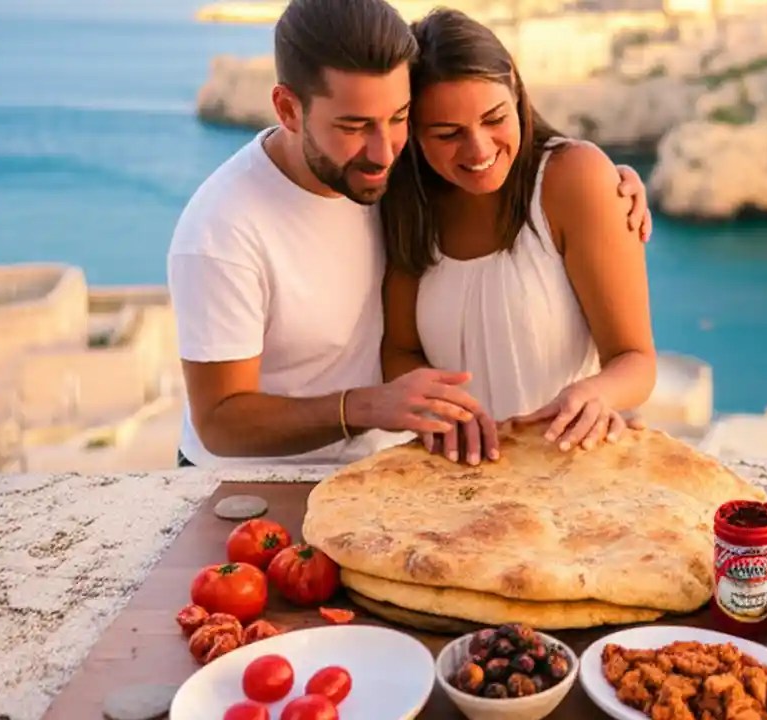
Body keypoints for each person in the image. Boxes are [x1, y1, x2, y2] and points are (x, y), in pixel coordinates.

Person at [166, 0, 652, 468]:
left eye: (398, 118)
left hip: (376, 467)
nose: (383, 151)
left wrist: (608, 186)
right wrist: (367, 407)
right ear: (289, 111)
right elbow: (218, 422)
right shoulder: (223, 231)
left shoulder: (391, 175)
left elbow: (502, 158)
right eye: (354, 125)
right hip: (249, 479)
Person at [379, 8, 656, 466]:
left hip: (571, 465)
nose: (479, 150)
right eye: (447, 134)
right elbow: (400, 351)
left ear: (515, 89)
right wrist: (441, 409)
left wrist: (593, 394)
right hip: (453, 478)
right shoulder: (407, 203)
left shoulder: (575, 179)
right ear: (412, 133)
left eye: (494, 118)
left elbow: (635, 359)